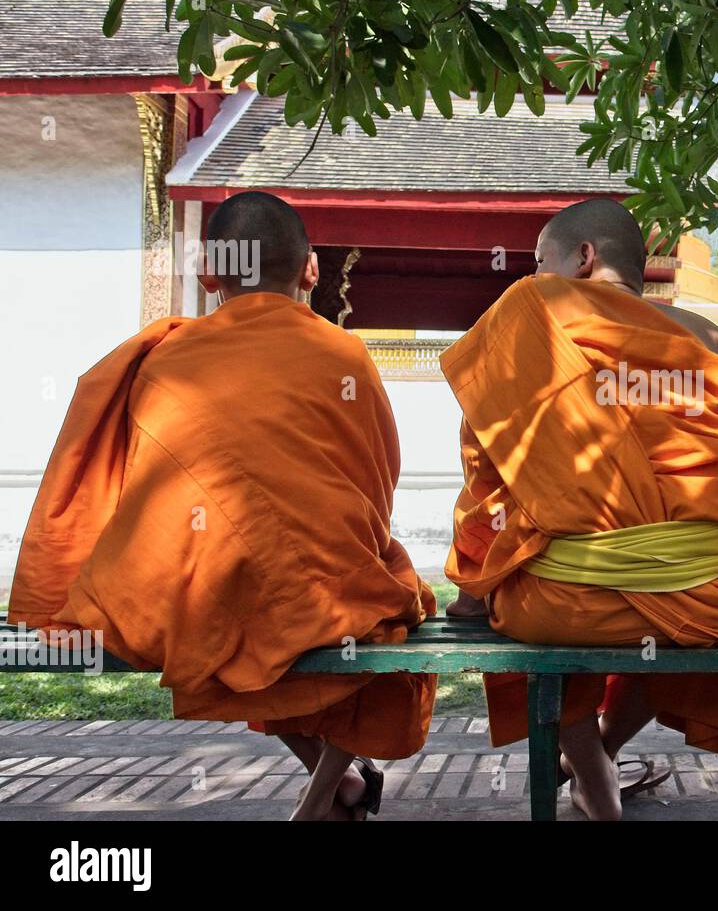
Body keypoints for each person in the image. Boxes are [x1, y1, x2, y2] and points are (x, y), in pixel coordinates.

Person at [8, 191, 437, 820]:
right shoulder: (345, 355)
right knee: (353, 620)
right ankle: (329, 795)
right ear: (311, 270)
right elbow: (378, 480)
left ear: (209, 272)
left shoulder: (166, 361)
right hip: (322, 587)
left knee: (226, 624)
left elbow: (143, 494)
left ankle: (326, 797)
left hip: (201, 593)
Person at [444, 198, 718, 820]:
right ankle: (601, 761)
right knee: (670, 624)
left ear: (582, 258)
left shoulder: (528, 319)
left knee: (529, 593)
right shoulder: (710, 340)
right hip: (714, 599)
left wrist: (470, 591)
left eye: (541, 263)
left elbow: (487, 483)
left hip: (562, 603)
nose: (533, 279)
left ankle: (594, 773)